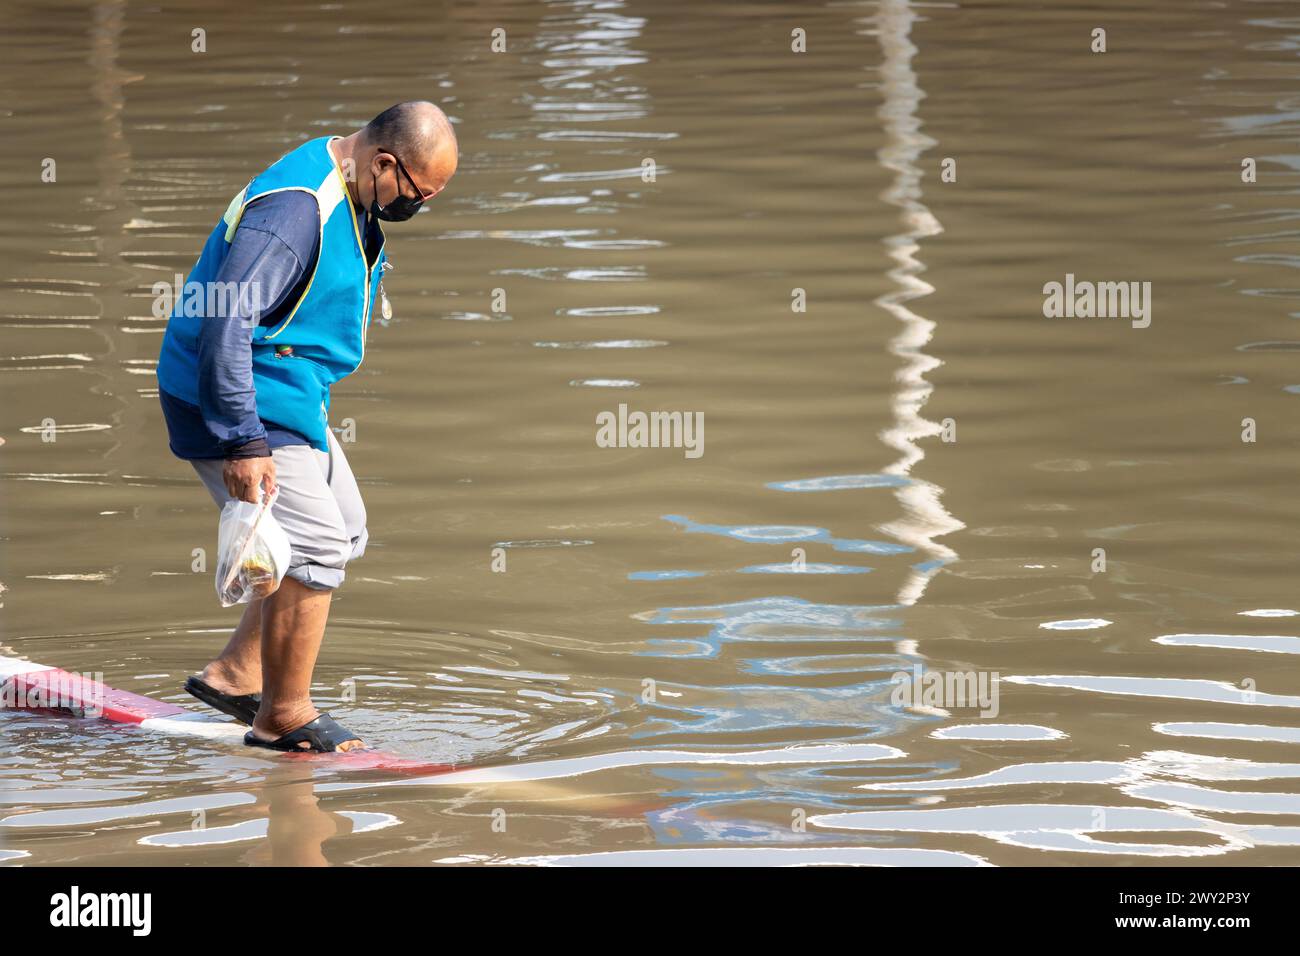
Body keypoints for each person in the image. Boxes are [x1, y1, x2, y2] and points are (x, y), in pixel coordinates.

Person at [155, 102, 458, 752]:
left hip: (287, 394)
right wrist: (241, 438)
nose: (416, 208)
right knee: (315, 547)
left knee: (342, 527)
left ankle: (237, 674)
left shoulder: (351, 186)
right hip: (232, 397)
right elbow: (224, 323)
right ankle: (281, 716)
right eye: (417, 194)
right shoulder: (294, 214)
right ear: (383, 162)